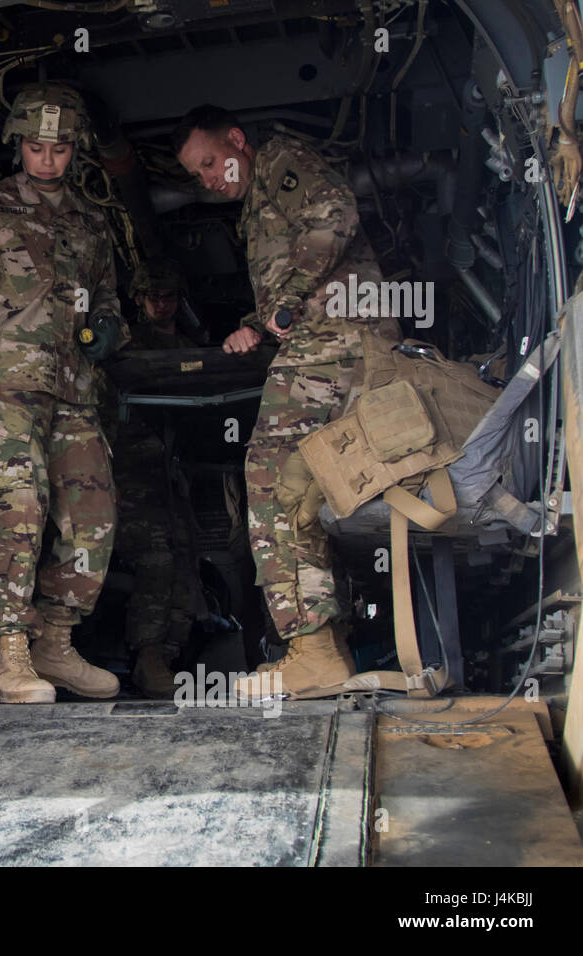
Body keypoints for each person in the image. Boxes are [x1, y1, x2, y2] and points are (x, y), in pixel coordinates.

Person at [172, 105, 399, 698]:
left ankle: (313, 649)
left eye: (210, 164)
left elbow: (335, 214)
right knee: (310, 483)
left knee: (272, 476)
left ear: (238, 142)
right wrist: (256, 323)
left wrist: (288, 303)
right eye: (198, 176)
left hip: (331, 342)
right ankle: (326, 648)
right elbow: (294, 285)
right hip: (330, 337)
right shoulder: (256, 203)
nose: (210, 181)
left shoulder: (279, 161)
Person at [0, 84, 127, 703]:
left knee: (94, 519)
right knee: (22, 507)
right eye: (36, 148)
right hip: (5, 388)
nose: (47, 160)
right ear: (19, 145)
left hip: (74, 392)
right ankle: (8, 657)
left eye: (59, 149)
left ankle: (55, 646)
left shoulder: (93, 223)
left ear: (76, 151)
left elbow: (109, 303)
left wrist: (109, 330)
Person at [113, 259, 208, 696]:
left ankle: (171, 654)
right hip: (134, 472)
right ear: (139, 300)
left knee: (188, 560)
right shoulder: (130, 344)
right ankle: (148, 656)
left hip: (174, 475)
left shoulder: (192, 346)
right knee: (156, 559)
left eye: (170, 297)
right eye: (155, 297)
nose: (163, 304)